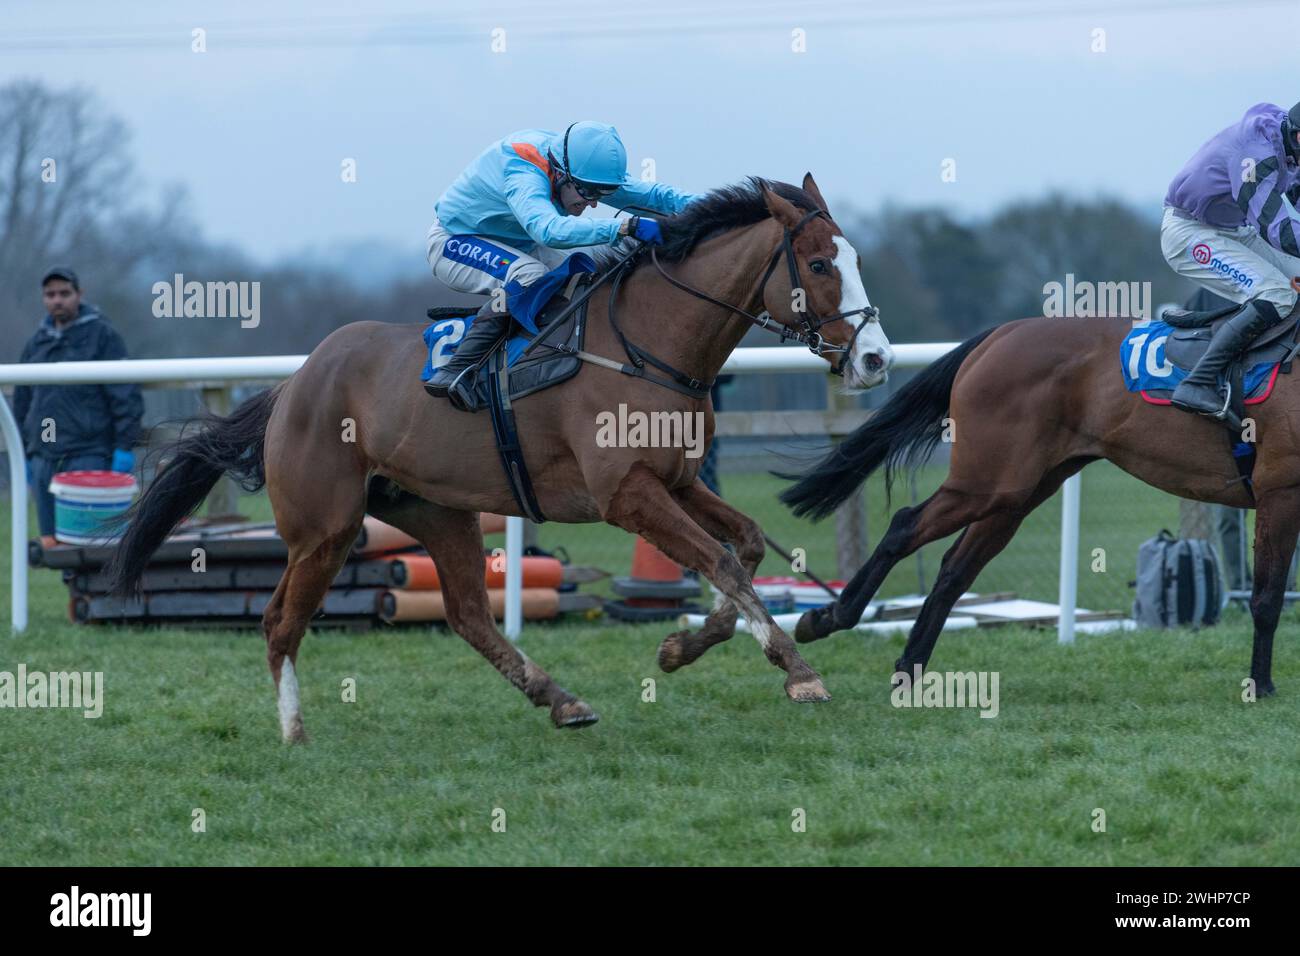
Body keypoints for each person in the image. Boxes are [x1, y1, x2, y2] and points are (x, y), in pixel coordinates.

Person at [424, 121, 698, 408]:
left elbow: (654, 196)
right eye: (588, 194)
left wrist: (724, 207)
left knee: (583, 274)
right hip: (454, 241)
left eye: (600, 195)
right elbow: (548, 230)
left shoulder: (579, 167)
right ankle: (457, 370)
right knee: (530, 275)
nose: (592, 204)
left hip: (517, 242)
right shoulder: (524, 170)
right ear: (563, 175)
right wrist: (624, 227)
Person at [1162, 101, 1300, 421]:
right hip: (1188, 233)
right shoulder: (1257, 155)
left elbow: (1296, 193)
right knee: (1277, 293)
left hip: (1232, 230)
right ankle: (1198, 382)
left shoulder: (1289, 141)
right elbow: (1275, 229)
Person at [11, 267, 143, 541]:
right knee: (53, 544)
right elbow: (22, 399)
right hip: (43, 458)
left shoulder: (102, 335)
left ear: (79, 295)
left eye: (64, 293)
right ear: (43, 298)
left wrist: (123, 447)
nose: (57, 300)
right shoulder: (36, 342)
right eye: (50, 294)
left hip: (88, 455)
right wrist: (23, 451)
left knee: (90, 542)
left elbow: (125, 395)